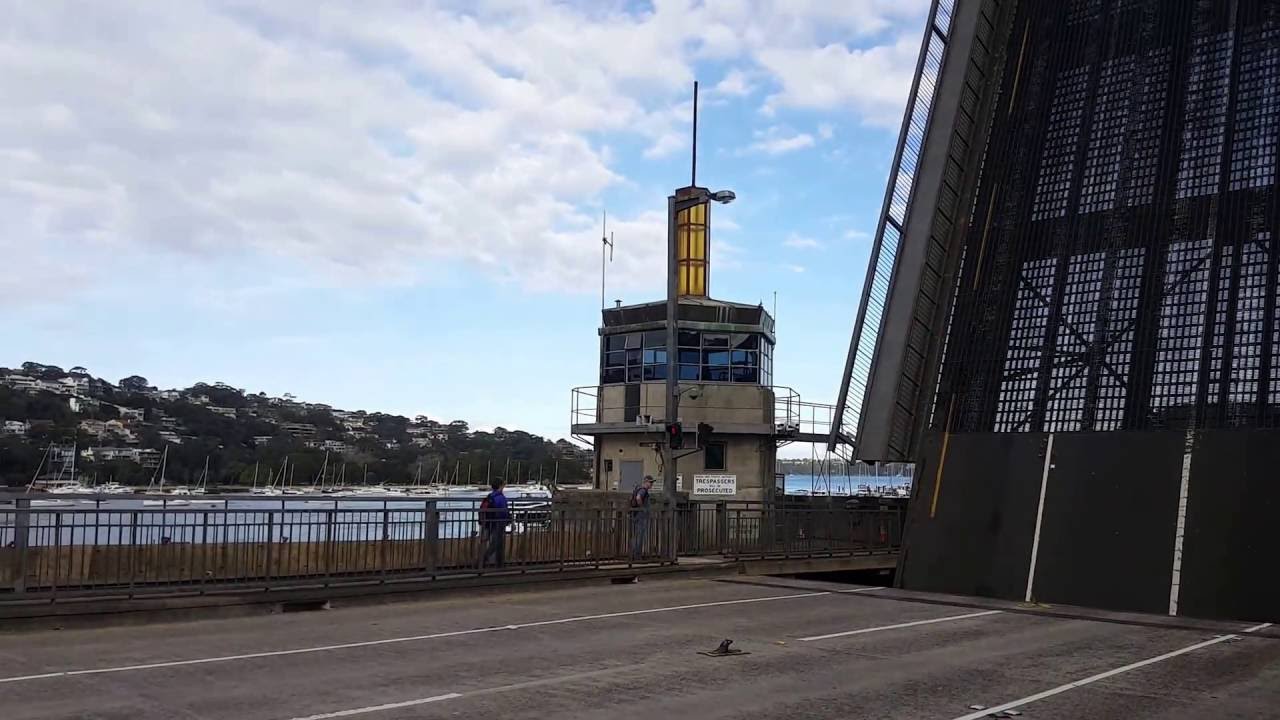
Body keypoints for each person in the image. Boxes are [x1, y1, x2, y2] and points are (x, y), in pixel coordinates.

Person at [478, 478, 511, 568]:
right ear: (500, 486)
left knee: (494, 542)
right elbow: (504, 511)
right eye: (503, 485)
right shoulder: (500, 497)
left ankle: (497, 562)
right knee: (497, 542)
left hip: (488, 522)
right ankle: (487, 559)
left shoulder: (490, 496)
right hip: (498, 522)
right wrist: (508, 520)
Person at [630, 475, 653, 559]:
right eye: (650, 482)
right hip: (641, 516)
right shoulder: (643, 490)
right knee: (639, 535)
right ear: (646, 482)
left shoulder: (639, 488)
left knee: (636, 535)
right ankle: (636, 555)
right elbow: (638, 498)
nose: (651, 484)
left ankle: (633, 554)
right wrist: (642, 508)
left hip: (636, 515)